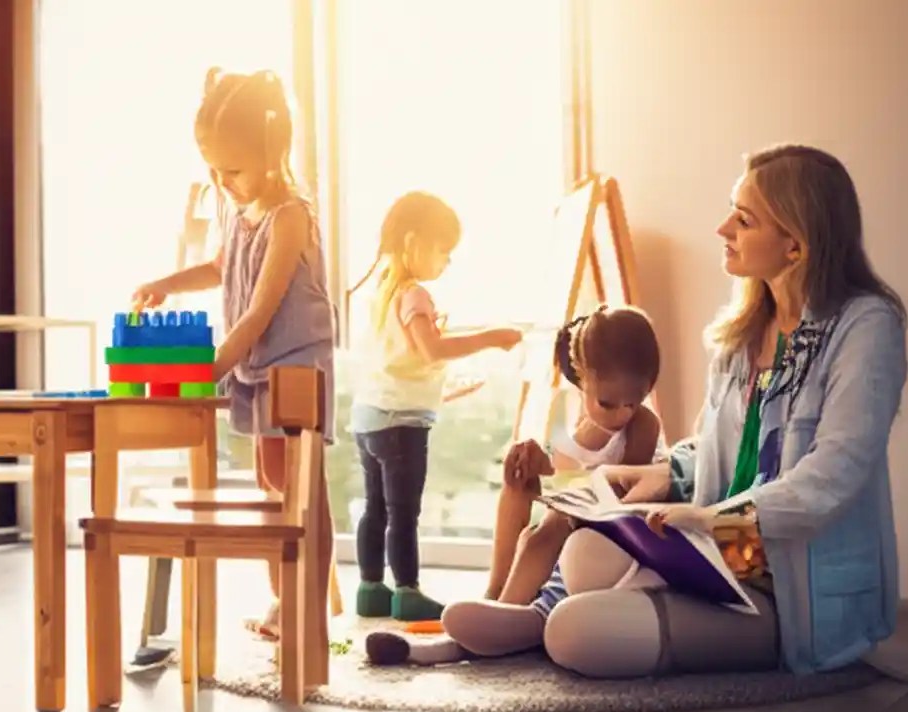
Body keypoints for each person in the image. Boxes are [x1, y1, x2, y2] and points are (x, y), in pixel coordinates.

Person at [387, 144, 908, 677]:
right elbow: (707, 450)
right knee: (584, 551)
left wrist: (709, 519)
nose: (722, 228)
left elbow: (832, 478)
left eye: (744, 220)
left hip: (790, 587)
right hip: (722, 555)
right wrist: (656, 476)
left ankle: (544, 626)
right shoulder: (744, 333)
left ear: (794, 246)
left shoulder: (866, 327)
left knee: (577, 632)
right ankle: (531, 622)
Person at [131, 67, 335, 638]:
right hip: (255, 367)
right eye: (214, 171)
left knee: (301, 488)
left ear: (273, 151)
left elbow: (260, 309)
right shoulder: (234, 207)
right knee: (271, 483)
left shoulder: (290, 216)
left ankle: (308, 610)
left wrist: (207, 369)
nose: (224, 183)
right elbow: (222, 268)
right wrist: (167, 282)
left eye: (234, 171)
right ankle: (281, 599)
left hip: (295, 366)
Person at [366, 305, 665, 663]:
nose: (623, 414)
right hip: (567, 526)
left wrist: (562, 492)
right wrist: (536, 467)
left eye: (635, 402)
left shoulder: (643, 425)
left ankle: (484, 628)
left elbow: (617, 488)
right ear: (582, 376)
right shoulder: (563, 412)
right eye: (608, 402)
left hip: (612, 533)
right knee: (520, 492)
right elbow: (563, 482)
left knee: (544, 533)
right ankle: (493, 599)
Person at [346, 191, 523, 621]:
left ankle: (371, 588)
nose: (447, 262)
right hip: (401, 425)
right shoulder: (414, 294)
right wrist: (490, 337)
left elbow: (398, 363)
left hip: (370, 417)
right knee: (404, 511)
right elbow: (430, 350)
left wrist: (442, 392)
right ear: (415, 243)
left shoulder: (379, 293)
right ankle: (407, 591)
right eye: (444, 251)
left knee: (375, 507)